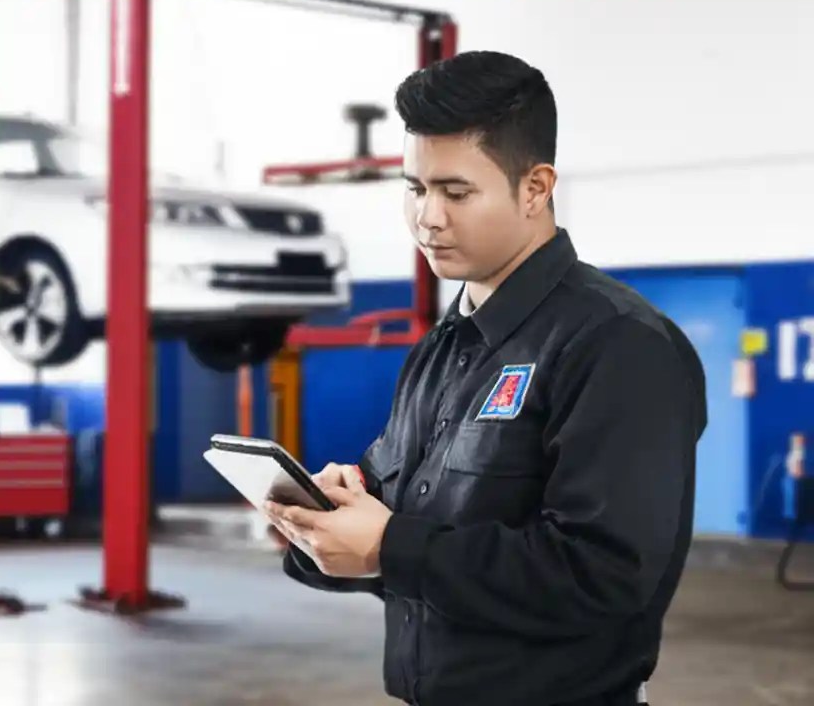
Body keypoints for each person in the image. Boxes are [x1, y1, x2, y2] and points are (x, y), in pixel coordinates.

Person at [263, 51, 707, 706]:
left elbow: (604, 577)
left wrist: (391, 544)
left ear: (535, 187)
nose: (428, 218)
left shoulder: (617, 345)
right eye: (415, 189)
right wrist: (325, 525)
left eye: (455, 191)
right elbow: (401, 527)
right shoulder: (441, 350)